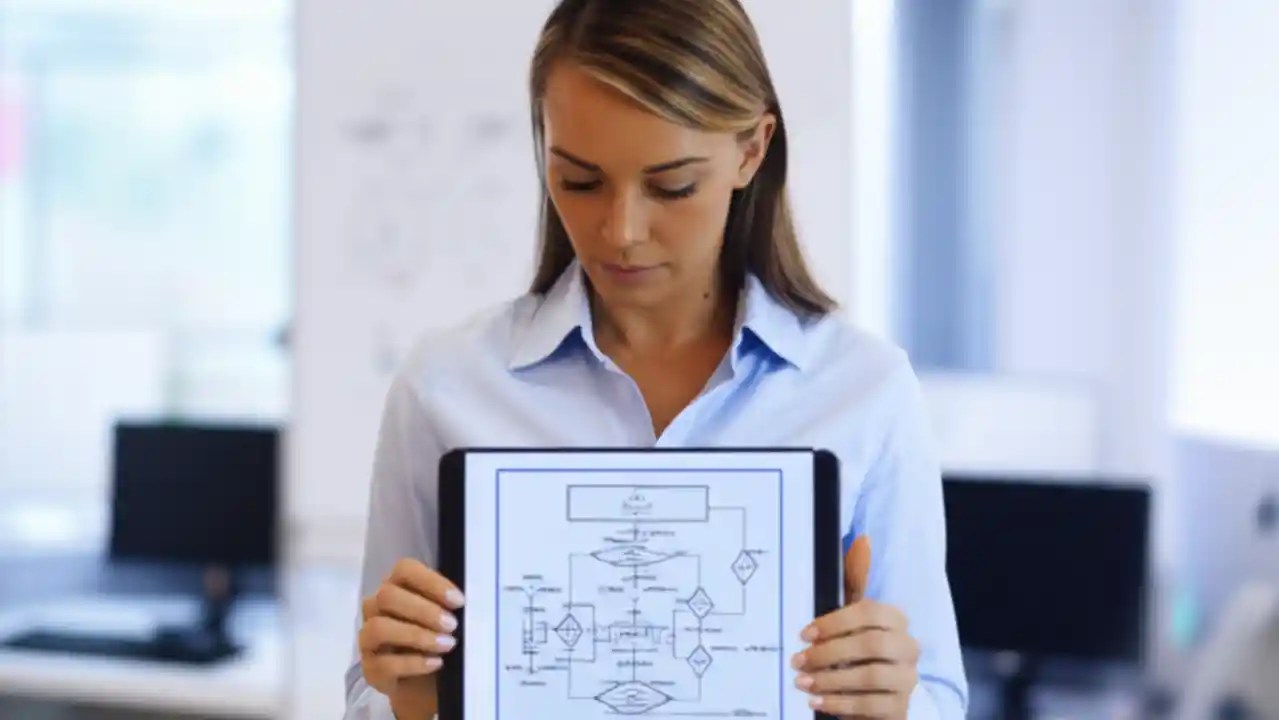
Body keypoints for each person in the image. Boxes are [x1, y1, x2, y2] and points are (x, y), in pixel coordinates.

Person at [343, 0, 968, 718]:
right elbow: (369, 689)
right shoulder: (444, 387)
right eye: (579, 181)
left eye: (672, 186)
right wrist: (414, 695)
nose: (622, 231)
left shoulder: (867, 392)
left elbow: (940, 697)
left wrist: (891, 700)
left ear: (751, 150)